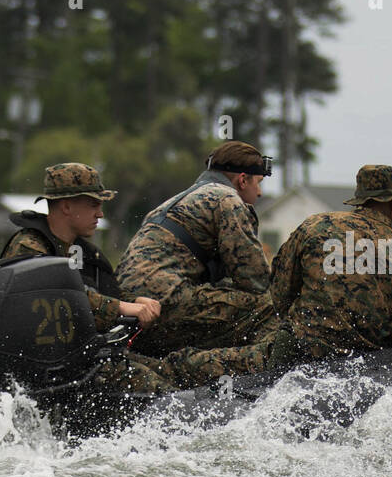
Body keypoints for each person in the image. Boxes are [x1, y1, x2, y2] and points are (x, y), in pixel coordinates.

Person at [150, 164, 392, 390]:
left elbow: (279, 293)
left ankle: (148, 371)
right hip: (363, 367)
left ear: (361, 199)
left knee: (199, 363)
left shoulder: (316, 227)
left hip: (295, 353)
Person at [0, 162, 164, 392]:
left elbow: (96, 290)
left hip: (73, 357)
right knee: (151, 386)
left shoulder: (79, 251)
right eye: (93, 205)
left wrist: (136, 302)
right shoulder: (29, 247)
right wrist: (124, 308)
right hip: (43, 365)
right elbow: (61, 299)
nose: (100, 213)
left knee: (166, 371)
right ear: (66, 206)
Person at [117, 141, 275, 357]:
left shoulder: (175, 202)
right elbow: (255, 280)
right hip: (166, 307)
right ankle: (265, 370)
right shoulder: (227, 200)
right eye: (258, 183)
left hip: (131, 310)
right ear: (243, 180)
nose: (260, 193)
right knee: (266, 304)